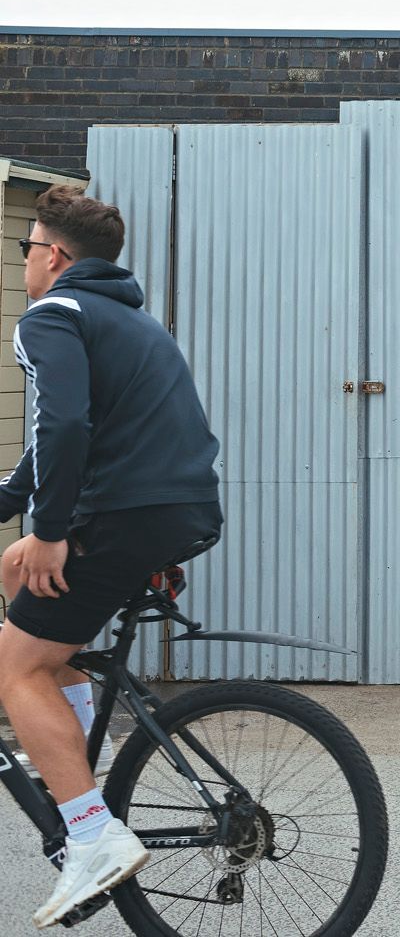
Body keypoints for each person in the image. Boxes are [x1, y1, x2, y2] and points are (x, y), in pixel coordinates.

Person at [0, 187, 222, 928]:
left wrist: (50, 528)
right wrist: (18, 511)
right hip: (173, 508)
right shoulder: (128, 319)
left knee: (14, 667)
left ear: (55, 256)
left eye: (27, 247)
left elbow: (63, 426)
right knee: (16, 569)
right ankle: (72, 764)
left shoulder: (51, 316)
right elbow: (62, 436)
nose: (24, 261)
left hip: (124, 513)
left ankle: (93, 834)